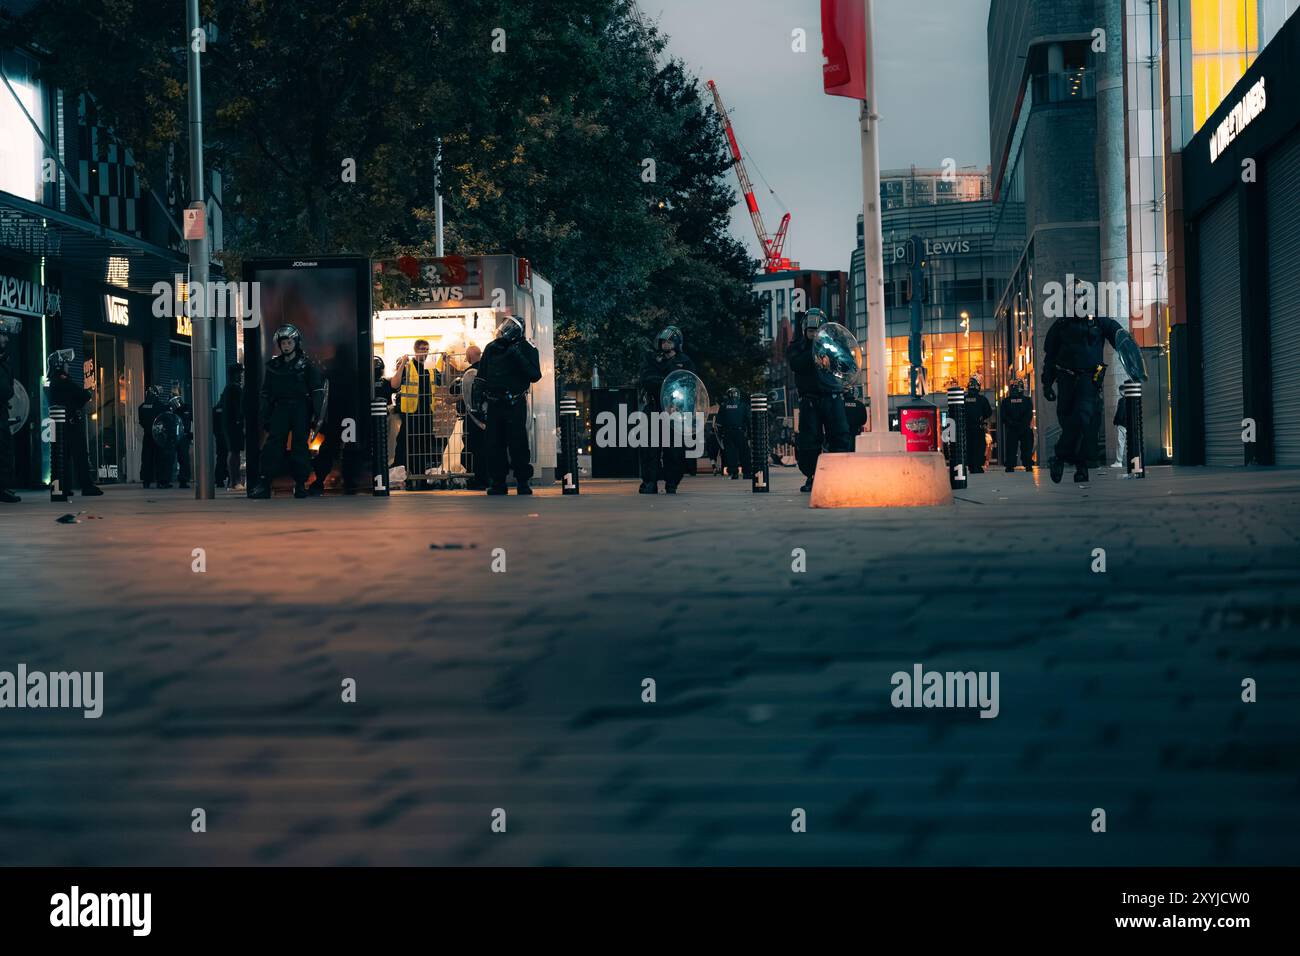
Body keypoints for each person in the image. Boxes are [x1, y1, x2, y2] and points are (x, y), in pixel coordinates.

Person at [1042, 284, 1146, 484]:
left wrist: (1134, 364)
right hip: (1065, 380)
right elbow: (1050, 358)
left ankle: (1064, 458)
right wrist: (1047, 384)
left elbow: (1121, 338)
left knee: (1083, 418)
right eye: (1072, 297)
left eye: (1080, 296)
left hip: (1089, 380)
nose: (1076, 300)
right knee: (1070, 424)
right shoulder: (1061, 326)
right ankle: (1076, 465)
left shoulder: (1100, 322)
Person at [249, 324, 325, 499]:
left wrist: (317, 415)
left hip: (300, 409)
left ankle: (300, 485)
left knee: (300, 446)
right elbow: (266, 393)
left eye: (289, 341)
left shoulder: (307, 366)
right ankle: (264, 483)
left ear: (296, 342)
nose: (286, 345)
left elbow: (316, 391)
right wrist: (265, 415)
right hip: (280, 409)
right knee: (273, 446)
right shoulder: (273, 366)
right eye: (283, 342)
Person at [787, 308, 850, 493]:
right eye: (810, 331)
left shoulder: (835, 345)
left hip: (832, 396)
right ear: (805, 330)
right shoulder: (797, 346)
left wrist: (831, 354)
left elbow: (848, 364)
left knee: (840, 435)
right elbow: (795, 364)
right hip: (810, 400)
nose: (813, 334)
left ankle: (838, 475)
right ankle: (812, 476)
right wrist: (814, 351)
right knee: (809, 440)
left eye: (817, 331)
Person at [478, 315, 542, 495]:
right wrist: (477, 397)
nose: (505, 329)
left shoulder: (526, 347)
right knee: (494, 444)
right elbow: (482, 375)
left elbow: (535, 375)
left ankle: (523, 481)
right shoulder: (492, 348)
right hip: (494, 403)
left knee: (518, 443)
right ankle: (498, 482)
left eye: (510, 326)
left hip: (515, 402)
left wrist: (518, 355)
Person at [637, 325, 696, 494]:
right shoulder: (651, 359)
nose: (665, 344)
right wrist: (665, 380)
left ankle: (672, 482)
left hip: (674, 410)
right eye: (663, 341)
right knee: (649, 448)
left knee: (674, 450)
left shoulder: (685, 361)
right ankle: (650, 482)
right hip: (654, 407)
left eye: (669, 341)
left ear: (676, 342)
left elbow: (690, 383)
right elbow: (646, 379)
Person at [46, 350, 102, 496]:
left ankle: (60, 488)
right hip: (70, 424)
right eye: (66, 364)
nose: (68, 367)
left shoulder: (53, 382)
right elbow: (84, 395)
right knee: (80, 455)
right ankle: (86, 486)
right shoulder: (64, 381)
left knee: (60, 457)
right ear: (59, 365)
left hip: (57, 424)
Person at [389, 339, 440, 479]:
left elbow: (442, 382)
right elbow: (394, 384)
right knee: (406, 443)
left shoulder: (431, 368)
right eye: (422, 348)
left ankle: (419, 473)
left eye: (426, 349)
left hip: (426, 412)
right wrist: (401, 366)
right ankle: (403, 472)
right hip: (410, 412)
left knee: (423, 444)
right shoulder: (408, 366)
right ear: (415, 350)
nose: (425, 351)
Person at [460, 344, 489, 490]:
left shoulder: (469, 372)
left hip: (473, 417)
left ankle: (479, 479)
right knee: (486, 447)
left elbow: (464, 393)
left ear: (469, 356)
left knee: (475, 448)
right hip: (487, 416)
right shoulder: (487, 369)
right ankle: (487, 478)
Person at [0, 316, 20, 503]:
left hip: (2, 410)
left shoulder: (5, 360)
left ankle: (3, 487)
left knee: (4, 449)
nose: (6, 339)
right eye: (3, 335)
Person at [218, 364, 244, 489]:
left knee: (233, 452)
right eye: (240, 373)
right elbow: (238, 408)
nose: (241, 375)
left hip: (229, 424)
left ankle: (233, 480)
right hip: (234, 425)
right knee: (234, 452)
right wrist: (240, 421)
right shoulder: (235, 389)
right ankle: (235, 481)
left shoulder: (228, 389)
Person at [999, 378, 1034, 472]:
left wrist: (1011, 423)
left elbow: (1003, 416)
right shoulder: (1027, 400)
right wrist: (1022, 424)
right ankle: (1028, 465)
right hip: (1024, 428)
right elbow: (1029, 415)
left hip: (1011, 428)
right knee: (1027, 447)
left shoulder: (1006, 401)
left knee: (1011, 448)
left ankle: (1010, 466)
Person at [717, 387, 750, 480]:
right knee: (744, 452)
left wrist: (721, 435)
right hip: (740, 432)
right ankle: (747, 472)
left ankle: (733, 473)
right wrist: (749, 434)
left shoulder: (723, 406)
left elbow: (719, 422)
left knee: (731, 453)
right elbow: (748, 420)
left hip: (728, 432)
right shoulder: (743, 405)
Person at [963, 376, 992, 473]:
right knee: (979, 447)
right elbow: (989, 412)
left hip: (966, 428)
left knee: (969, 447)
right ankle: (978, 466)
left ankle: (971, 466)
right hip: (978, 428)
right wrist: (981, 417)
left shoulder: (964, 399)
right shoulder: (982, 399)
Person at [171, 387, 193, 489]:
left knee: (183, 458)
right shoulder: (170, 410)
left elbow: (193, 420)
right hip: (174, 436)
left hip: (183, 436)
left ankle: (183, 480)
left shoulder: (187, 408)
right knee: (170, 458)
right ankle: (166, 479)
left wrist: (191, 433)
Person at [1112, 392, 1129, 468]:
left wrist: (1116, 421)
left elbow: (1120, 412)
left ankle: (1119, 461)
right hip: (1129, 424)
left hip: (1122, 424)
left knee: (1120, 443)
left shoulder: (1122, 400)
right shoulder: (1131, 399)